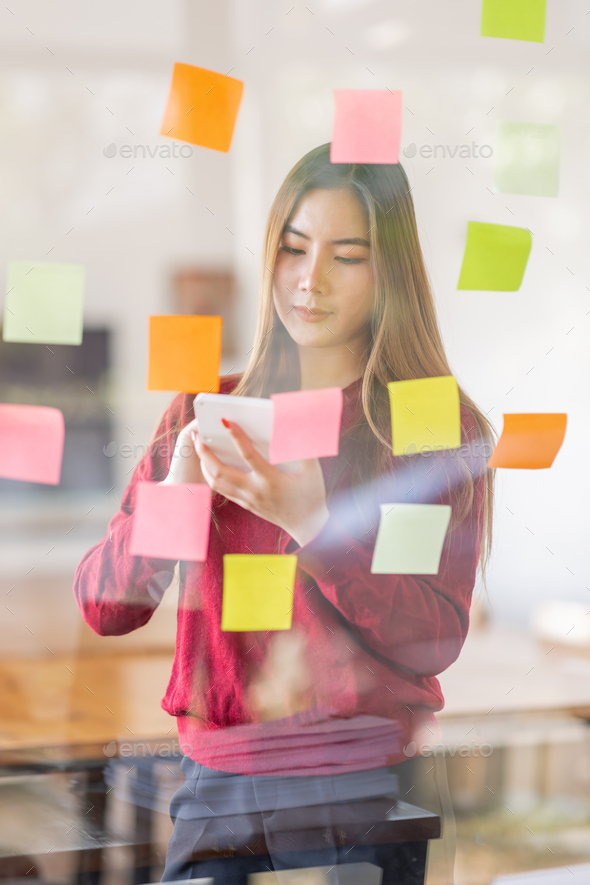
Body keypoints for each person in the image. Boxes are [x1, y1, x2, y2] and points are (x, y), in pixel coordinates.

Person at [74, 143, 494, 883]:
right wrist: (175, 495)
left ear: (390, 271)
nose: (308, 280)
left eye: (347, 256)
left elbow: (431, 636)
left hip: (372, 787)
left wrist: (319, 529)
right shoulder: (207, 410)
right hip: (221, 787)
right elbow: (108, 608)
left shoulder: (429, 424)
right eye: (293, 249)